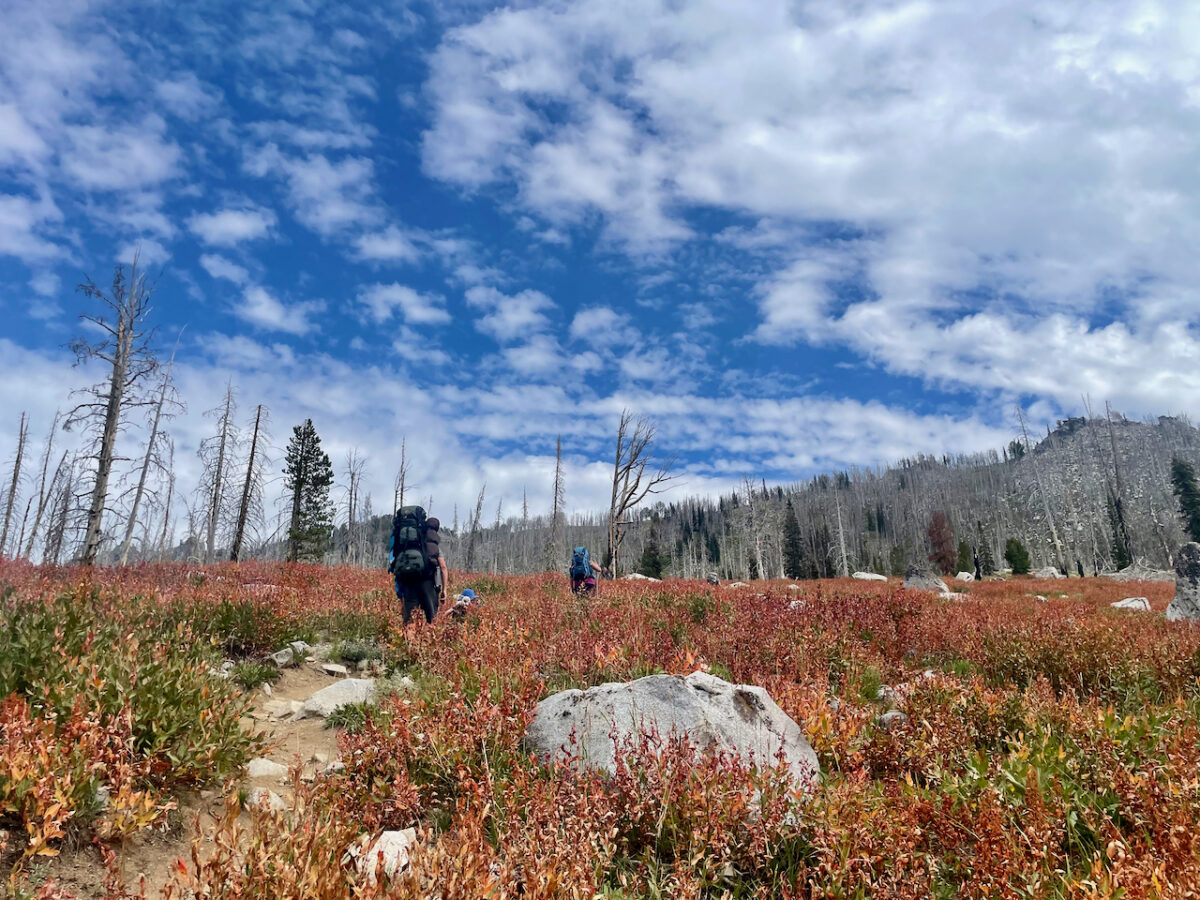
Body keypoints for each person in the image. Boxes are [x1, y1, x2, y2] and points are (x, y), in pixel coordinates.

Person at [389, 508, 448, 625]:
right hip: (427, 582)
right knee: (432, 617)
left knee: (409, 618)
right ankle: (430, 641)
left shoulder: (406, 542)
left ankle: (408, 642)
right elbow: (443, 567)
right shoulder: (431, 544)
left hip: (408, 580)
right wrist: (444, 590)